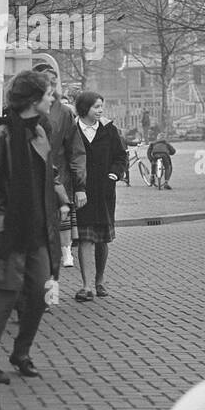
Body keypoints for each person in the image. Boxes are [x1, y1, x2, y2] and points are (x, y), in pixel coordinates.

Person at [0, 70, 67, 384]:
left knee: (39, 294)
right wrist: (1, 226)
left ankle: (20, 353)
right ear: (33, 99)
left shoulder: (39, 131)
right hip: (11, 230)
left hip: (37, 229)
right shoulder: (3, 133)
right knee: (6, 295)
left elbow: (47, 173)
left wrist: (59, 196)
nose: (53, 98)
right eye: (48, 94)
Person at [30, 56, 88, 266]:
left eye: (54, 83)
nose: (52, 88)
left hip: (58, 176)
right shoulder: (23, 112)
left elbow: (76, 150)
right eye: (47, 84)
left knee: (61, 219)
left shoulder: (64, 113)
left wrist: (80, 184)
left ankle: (64, 253)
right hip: (32, 179)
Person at [71, 92, 128, 300]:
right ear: (85, 108)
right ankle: (86, 286)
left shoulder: (109, 130)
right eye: (96, 107)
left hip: (104, 192)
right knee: (86, 237)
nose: (100, 110)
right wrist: (76, 185)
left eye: (101, 106)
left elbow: (121, 155)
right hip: (82, 192)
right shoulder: (73, 130)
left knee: (102, 238)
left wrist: (114, 174)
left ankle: (99, 281)